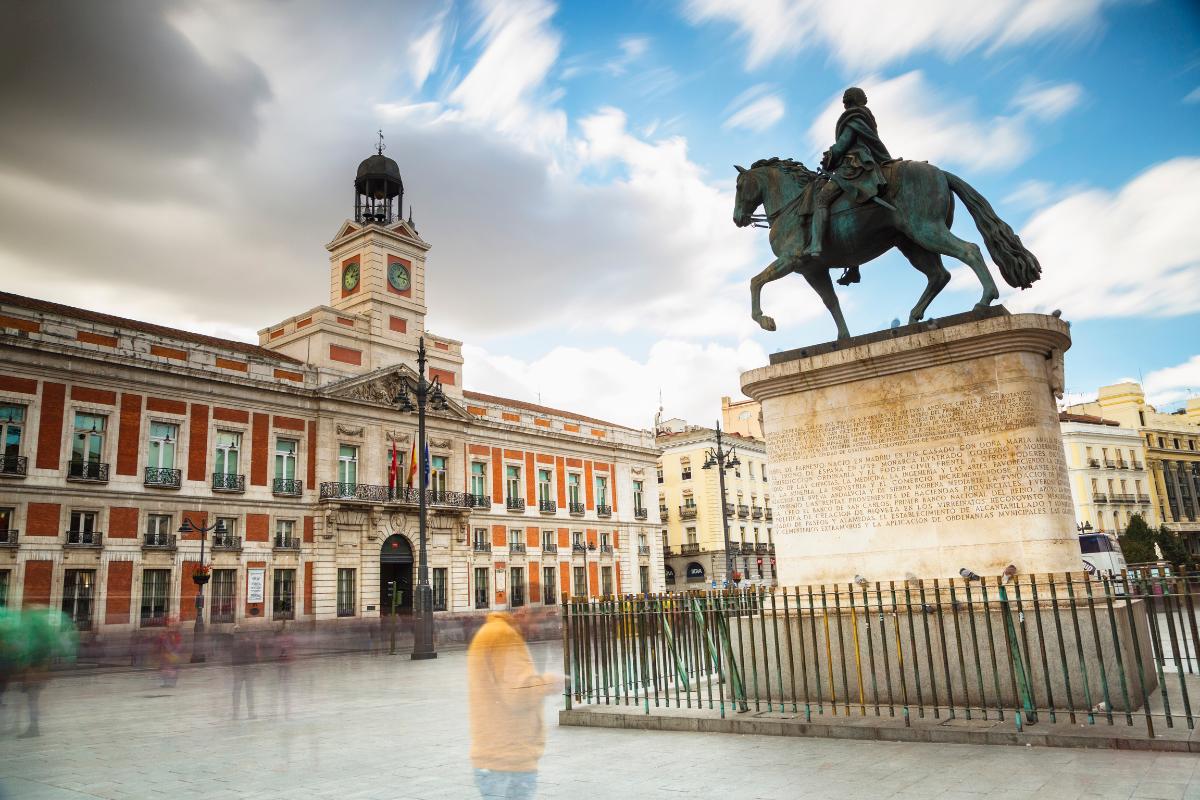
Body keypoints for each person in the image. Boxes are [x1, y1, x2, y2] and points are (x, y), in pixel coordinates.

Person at [466, 606, 560, 799]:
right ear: (523, 612)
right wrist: (550, 682)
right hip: (508, 761)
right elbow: (518, 695)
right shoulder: (505, 636)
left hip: (494, 756)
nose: (538, 630)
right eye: (538, 622)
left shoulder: (492, 631)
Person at [804, 86, 893, 283]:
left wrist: (830, 156)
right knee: (851, 208)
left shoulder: (852, 118)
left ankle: (816, 245)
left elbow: (843, 144)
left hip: (853, 167)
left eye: (845, 100)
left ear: (848, 101)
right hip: (866, 164)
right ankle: (853, 268)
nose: (844, 103)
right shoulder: (866, 116)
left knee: (821, 199)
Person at [230, 625, 259, 720]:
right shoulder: (250, 643)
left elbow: (233, 657)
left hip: (240, 669)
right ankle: (250, 712)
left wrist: (234, 669)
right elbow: (254, 656)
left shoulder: (235, 644)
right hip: (247, 669)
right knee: (249, 691)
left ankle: (236, 713)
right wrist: (256, 669)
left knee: (237, 691)